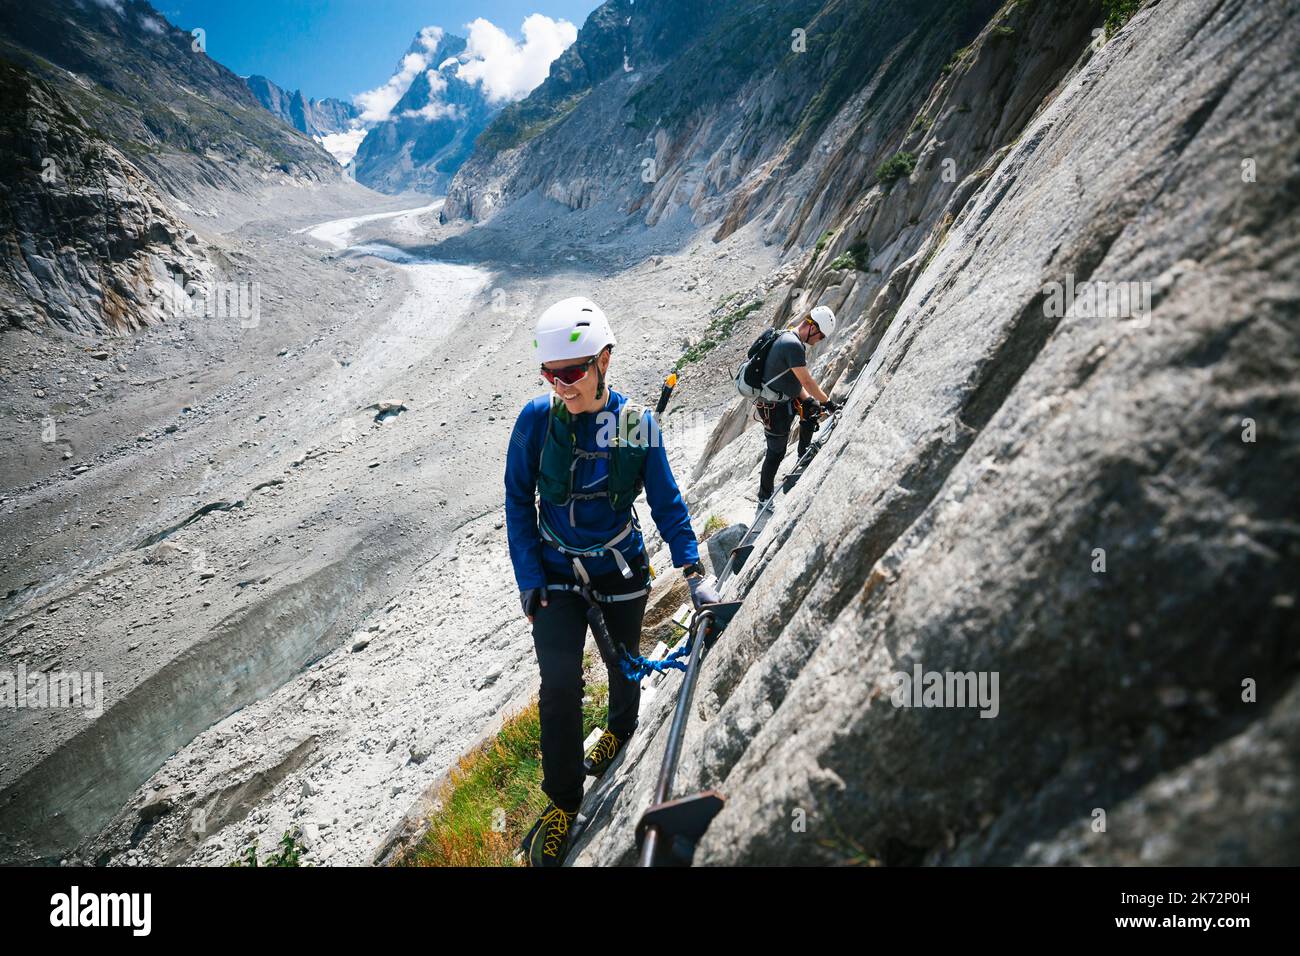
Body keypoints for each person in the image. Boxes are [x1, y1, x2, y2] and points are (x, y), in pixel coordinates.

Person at [504, 296, 720, 867]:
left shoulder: (635, 426)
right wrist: (529, 579)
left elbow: (667, 503)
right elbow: (517, 500)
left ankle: (621, 730)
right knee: (558, 683)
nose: (559, 386)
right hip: (555, 573)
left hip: (620, 569)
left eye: (570, 373)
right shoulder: (535, 420)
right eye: (549, 374)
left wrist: (694, 570)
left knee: (624, 662)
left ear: (604, 360)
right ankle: (562, 803)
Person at [755, 305, 839, 507]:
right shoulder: (792, 345)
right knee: (776, 452)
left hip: (782, 398)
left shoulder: (789, 336)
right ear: (813, 328)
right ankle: (763, 498)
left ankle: (803, 455)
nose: (819, 341)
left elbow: (793, 381)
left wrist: (812, 402)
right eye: (821, 337)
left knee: (811, 409)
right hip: (773, 408)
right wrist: (828, 403)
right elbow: (807, 381)